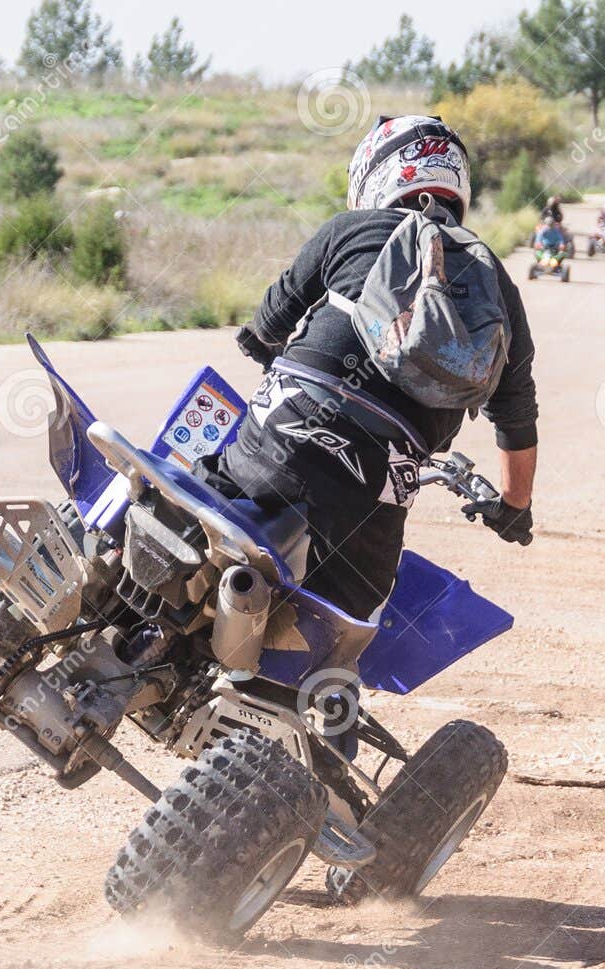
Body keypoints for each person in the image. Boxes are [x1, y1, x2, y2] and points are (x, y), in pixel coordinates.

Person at [201, 114, 538, 622]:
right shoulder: (495, 282)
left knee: (196, 515)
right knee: (343, 626)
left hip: (280, 436)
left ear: (377, 174)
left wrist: (271, 351)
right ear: (456, 187)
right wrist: (513, 508)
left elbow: (267, 325)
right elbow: (516, 416)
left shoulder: (350, 229)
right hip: (373, 490)